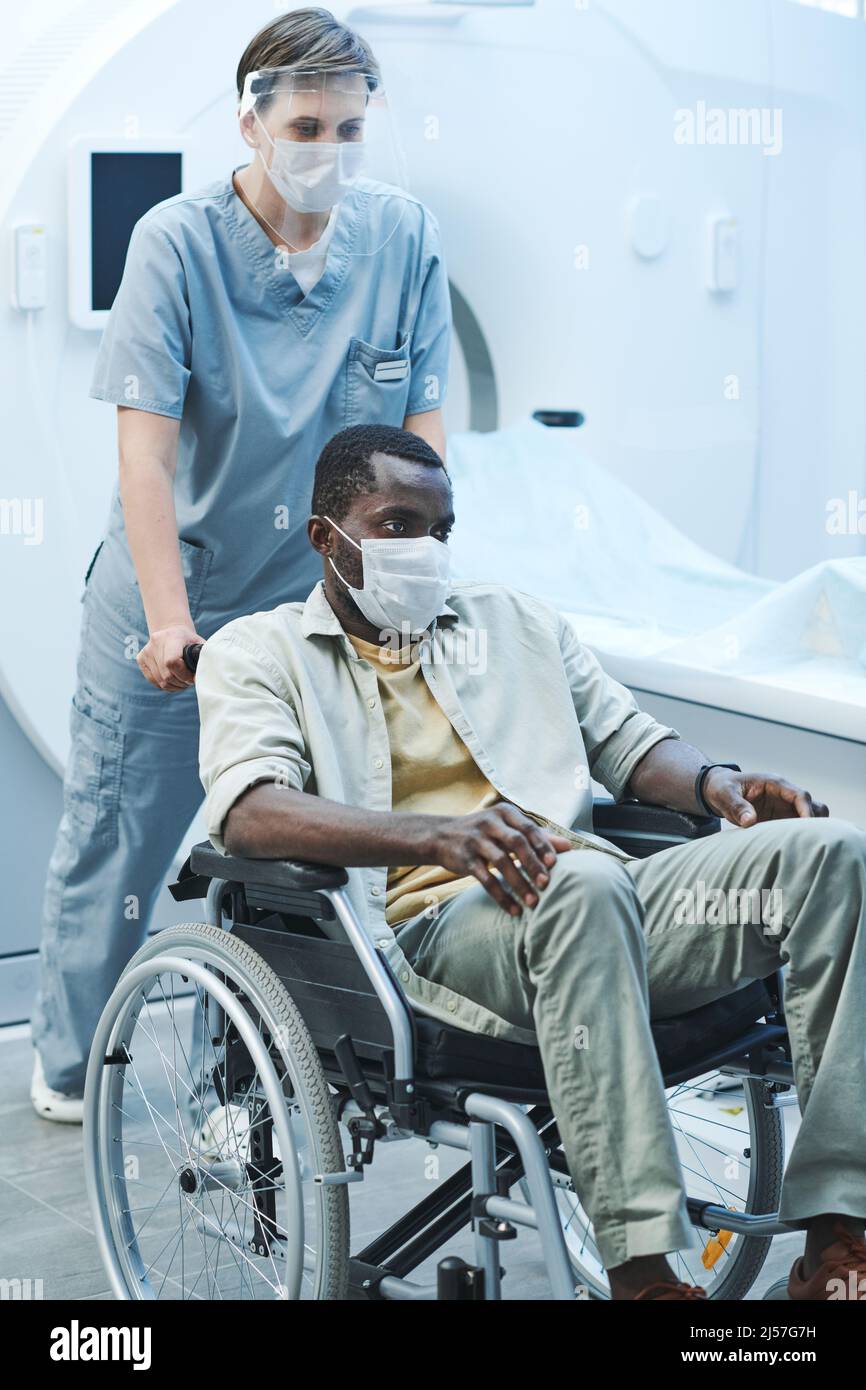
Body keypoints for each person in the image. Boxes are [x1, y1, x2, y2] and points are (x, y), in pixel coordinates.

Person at [193, 422, 866, 1301]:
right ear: (329, 538)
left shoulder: (515, 621)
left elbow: (630, 746)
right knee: (576, 880)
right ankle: (643, 1276)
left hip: (600, 899)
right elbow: (250, 812)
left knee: (832, 854)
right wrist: (437, 837)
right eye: (397, 525)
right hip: (424, 935)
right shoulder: (260, 652)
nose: (424, 550)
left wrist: (720, 787)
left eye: (440, 530)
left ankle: (836, 1242)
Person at [30, 9, 451, 1121]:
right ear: (250, 122)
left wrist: (407, 588)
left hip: (308, 608)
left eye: (351, 130)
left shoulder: (401, 236)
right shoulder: (175, 241)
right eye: (307, 125)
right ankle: (68, 1063)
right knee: (121, 842)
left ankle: (244, 1071)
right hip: (180, 598)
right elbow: (146, 461)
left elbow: (420, 438)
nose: (329, 151)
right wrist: (171, 624)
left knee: (282, 854)